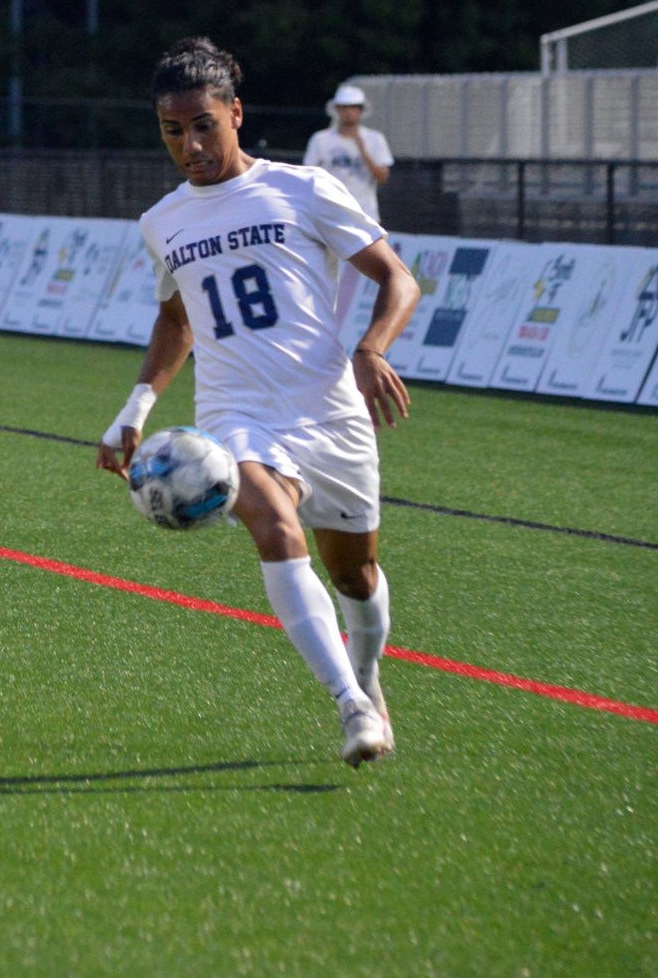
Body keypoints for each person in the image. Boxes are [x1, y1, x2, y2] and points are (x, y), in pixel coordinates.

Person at [96, 38, 420, 768]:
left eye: (203, 124)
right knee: (273, 524)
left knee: (355, 575)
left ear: (236, 113)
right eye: (172, 132)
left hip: (331, 412)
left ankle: (367, 677)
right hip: (235, 415)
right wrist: (135, 405)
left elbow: (398, 278)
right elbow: (178, 318)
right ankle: (350, 706)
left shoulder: (303, 189)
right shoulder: (163, 221)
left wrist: (371, 349)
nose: (190, 145)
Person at [302, 83, 393, 222]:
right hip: (330, 215)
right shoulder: (320, 139)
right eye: (344, 107)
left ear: (361, 110)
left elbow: (383, 178)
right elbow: (307, 176)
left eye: (354, 107)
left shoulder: (375, 139)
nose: (349, 112)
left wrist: (364, 152)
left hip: (365, 215)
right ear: (337, 109)